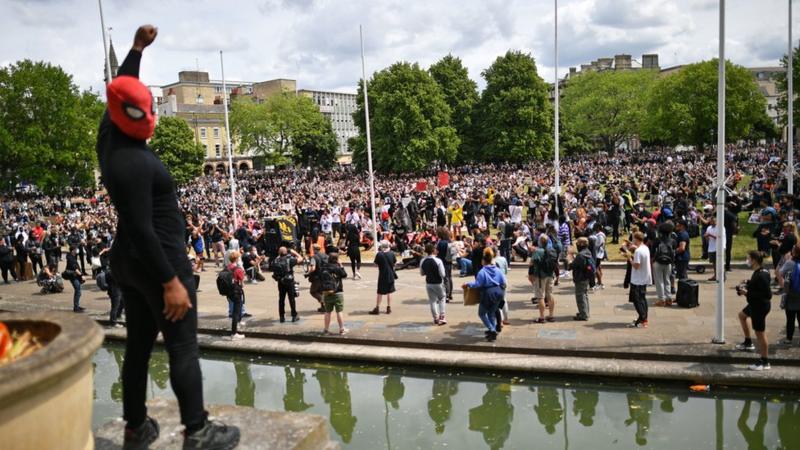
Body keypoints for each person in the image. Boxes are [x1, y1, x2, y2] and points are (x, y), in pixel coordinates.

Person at [97, 25, 239, 449]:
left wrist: (136, 50)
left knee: (138, 347)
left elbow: (120, 88)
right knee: (183, 348)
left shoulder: (110, 138)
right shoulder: (134, 163)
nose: (152, 120)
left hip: (128, 262)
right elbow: (143, 229)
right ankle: (197, 431)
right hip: (158, 259)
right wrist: (171, 281)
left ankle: (136, 426)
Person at [736, 250, 772, 370]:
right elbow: (758, 285)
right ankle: (748, 342)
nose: (747, 260)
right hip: (754, 304)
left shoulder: (761, 275)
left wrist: (747, 293)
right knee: (742, 315)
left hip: (759, 307)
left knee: (760, 333)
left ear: (754, 260)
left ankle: (764, 361)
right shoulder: (760, 271)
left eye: (748, 258)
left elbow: (767, 295)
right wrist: (747, 282)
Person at [464, 248, 507, 342]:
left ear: (483, 261)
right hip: (498, 292)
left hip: (488, 293)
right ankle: (492, 332)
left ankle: (492, 329)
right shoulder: (497, 270)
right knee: (491, 313)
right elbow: (503, 282)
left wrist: (468, 284)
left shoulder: (482, 271)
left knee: (481, 313)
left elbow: (478, 284)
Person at [625, 232, 652, 328]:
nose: (632, 240)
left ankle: (643, 320)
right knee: (642, 299)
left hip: (638, 279)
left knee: (637, 301)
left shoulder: (638, 251)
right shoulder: (645, 248)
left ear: (636, 239)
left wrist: (629, 258)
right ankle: (643, 318)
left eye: (633, 238)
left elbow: (636, 266)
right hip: (644, 278)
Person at [272, 246, 304, 323]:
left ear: (279, 252)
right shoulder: (290, 260)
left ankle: (281, 317)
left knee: (281, 299)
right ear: (286, 252)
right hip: (289, 281)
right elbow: (301, 258)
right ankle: (294, 316)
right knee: (291, 299)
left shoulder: (275, 260)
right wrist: (294, 252)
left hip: (280, 281)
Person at [320, 252, 349, 335]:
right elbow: (344, 275)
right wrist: (341, 265)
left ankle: (326, 329)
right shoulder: (337, 267)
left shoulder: (324, 268)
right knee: (339, 311)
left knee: (327, 312)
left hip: (326, 292)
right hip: (337, 292)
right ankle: (342, 329)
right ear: (337, 259)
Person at [532, 235, 557, 323]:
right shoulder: (552, 250)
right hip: (550, 274)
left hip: (540, 276)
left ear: (540, 242)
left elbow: (532, 263)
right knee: (550, 295)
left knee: (540, 296)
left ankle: (542, 317)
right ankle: (551, 315)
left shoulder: (538, 251)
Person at [778, 244, 800, 345]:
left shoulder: (790, 263)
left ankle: (789, 339)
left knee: (790, 318)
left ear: (794, 252)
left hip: (791, 294)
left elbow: (780, 273)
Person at [420, 243, 447, 325]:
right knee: (442, 298)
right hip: (438, 282)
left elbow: (422, 273)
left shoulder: (423, 261)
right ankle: (442, 317)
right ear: (433, 250)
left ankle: (435, 318)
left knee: (432, 301)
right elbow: (443, 274)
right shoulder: (438, 260)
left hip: (429, 283)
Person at [568, 237, 594, 321]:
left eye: (578, 243)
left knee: (580, 296)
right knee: (584, 295)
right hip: (586, 277)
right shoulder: (587, 252)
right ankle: (585, 312)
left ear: (582, 244)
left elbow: (571, 266)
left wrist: (570, 258)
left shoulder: (580, 255)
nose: (577, 245)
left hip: (580, 277)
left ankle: (583, 315)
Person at [370, 241, 396, 315]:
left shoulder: (379, 254)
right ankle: (388, 308)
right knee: (389, 292)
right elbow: (395, 263)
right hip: (390, 275)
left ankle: (377, 308)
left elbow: (375, 264)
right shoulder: (392, 253)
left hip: (382, 275)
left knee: (380, 292)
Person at [652, 223, 675, 307]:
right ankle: (669, 298)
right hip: (668, 262)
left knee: (659, 281)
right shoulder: (673, 241)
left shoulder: (657, 240)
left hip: (658, 262)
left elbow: (652, 251)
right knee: (667, 280)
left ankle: (661, 300)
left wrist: (653, 261)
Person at [225, 251, 246, 340]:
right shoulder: (238, 269)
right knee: (236, 311)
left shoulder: (227, 267)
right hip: (236, 292)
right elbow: (242, 283)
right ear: (237, 259)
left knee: (237, 307)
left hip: (229, 292)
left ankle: (239, 322)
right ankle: (234, 333)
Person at [65, 245, 84, 312]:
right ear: (73, 250)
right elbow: (75, 268)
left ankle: (77, 306)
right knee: (78, 290)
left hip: (75, 275)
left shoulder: (72, 256)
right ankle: (76, 308)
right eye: (76, 249)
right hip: (73, 276)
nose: (77, 250)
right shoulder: (70, 258)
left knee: (78, 290)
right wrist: (81, 275)